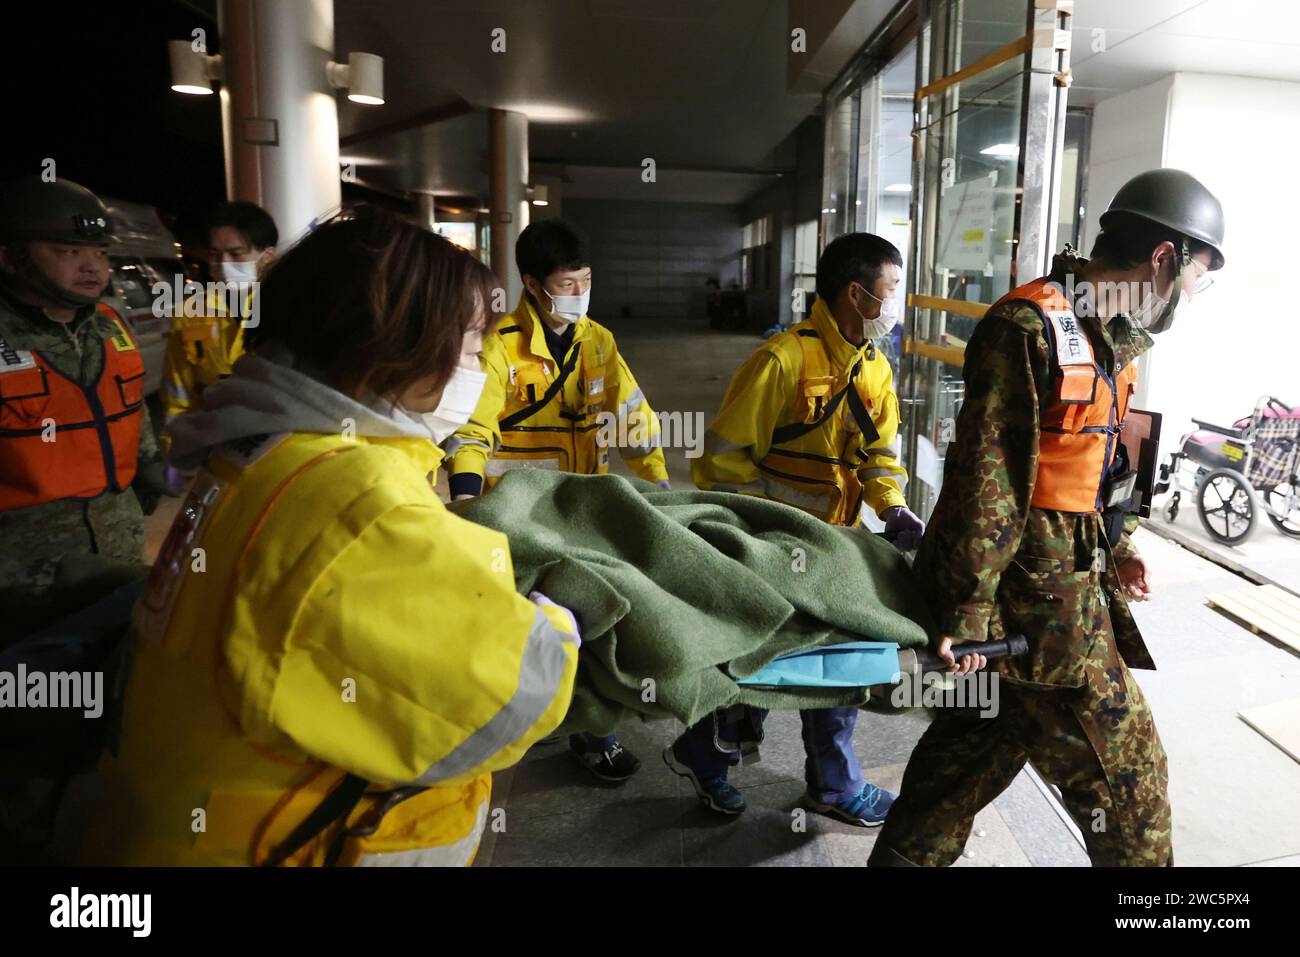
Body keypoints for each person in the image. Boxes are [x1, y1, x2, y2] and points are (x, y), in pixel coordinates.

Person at [79, 209, 580, 866]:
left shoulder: (256, 451)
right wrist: (560, 621)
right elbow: (513, 689)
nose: (476, 367)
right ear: (391, 346)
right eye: (465, 345)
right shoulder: (356, 491)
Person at [868, 168, 1226, 867]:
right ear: (1163, 258)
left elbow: (1074, 472)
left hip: (1049, 593)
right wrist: (970, 612)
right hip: (1038, 617)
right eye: (1196, 276)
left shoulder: (1109, 334)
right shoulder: (1029, 327)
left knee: (961, 766)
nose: (1190, 295)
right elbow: (987, 477)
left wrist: (1113, 547)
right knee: (1133, 799)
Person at [662, 232, 925, 824]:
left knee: (842, 662)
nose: (897, 303)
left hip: (836, 546)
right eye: (891, 290)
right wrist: (763, 533)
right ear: (857, 294)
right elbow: (720, 461)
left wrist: (892, 508)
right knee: (758, 669)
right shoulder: (780, 360)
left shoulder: (874, 369)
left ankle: (833, 786)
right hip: (770, 549)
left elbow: (879, 454)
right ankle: (702, 758)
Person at [447, 218, 668, 784]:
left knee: (592, 617)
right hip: (519, 515)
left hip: (584, 506)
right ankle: (516, 718)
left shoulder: (598, 340)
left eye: (586, 280)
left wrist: (657, 481)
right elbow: (473, 430)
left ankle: (594, 733)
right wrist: (468, 497)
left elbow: (631, 415)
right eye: (566, 284)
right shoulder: (500, 348)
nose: (578, 293)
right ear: (532, 284)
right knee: (529, 621)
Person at [0, 176, 171, 641]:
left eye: (99, 253)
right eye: (68, 251)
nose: (93, 266)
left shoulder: (111, 326)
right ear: (12, 257)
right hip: (20, 580)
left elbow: (132, 407)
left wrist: (150, 463)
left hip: (117, 548)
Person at [158, 201, 278, 455]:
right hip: (213, 444)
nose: (223, 264)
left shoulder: (288, 310)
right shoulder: (190, 312)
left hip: (276, 446)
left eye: (236, 254)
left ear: (266, 257)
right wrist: (177, 448)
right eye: (215, 254)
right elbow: (178, 391)